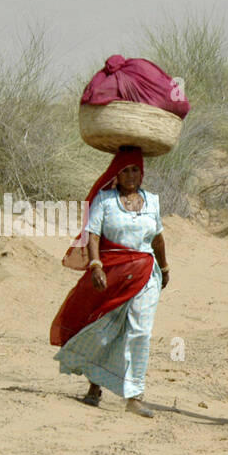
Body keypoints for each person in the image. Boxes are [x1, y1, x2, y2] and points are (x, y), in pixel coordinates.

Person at [50, 146, 169, 417]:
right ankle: (95, 385)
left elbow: (158, 238)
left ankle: (135, 396)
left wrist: (165, 267)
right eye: (125, 170)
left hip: (146, 274)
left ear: (142, 173)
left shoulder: (152, 201)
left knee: (140, 332)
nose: (130, 175)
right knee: (106, 330)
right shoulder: (105, 201)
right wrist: (95, 265)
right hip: (112, 275)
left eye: (135, 170)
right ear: (116, 173)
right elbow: (93, 235)